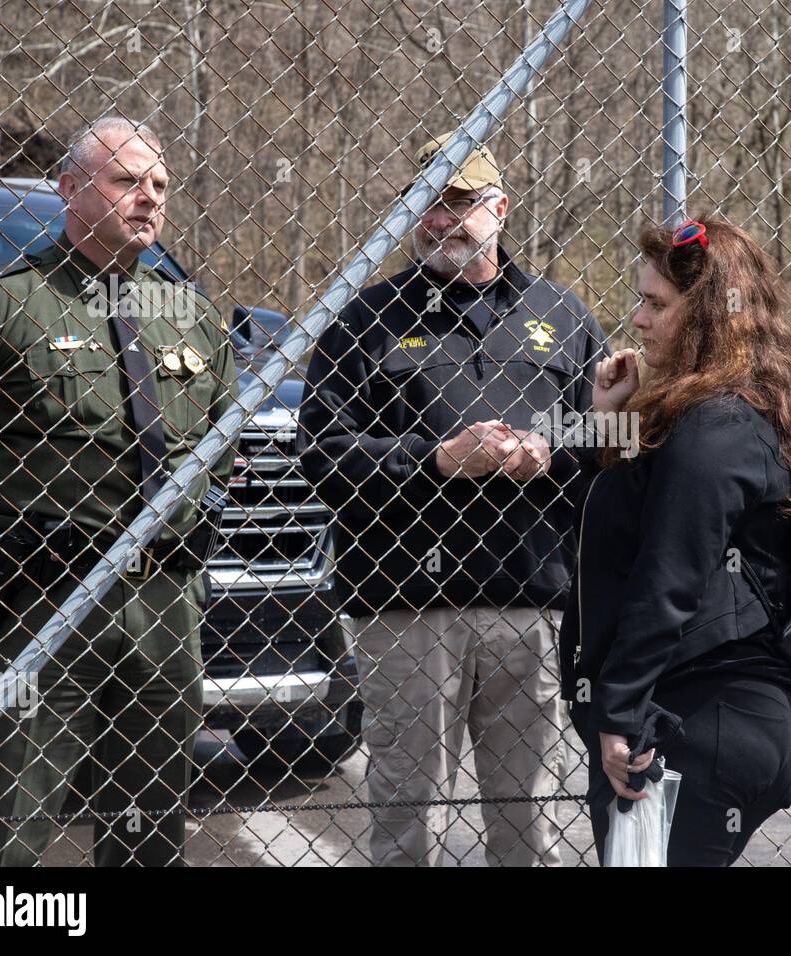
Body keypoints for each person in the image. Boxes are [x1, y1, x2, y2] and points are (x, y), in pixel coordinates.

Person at [0, 117, 239, 866]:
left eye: (159, 186)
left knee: (148, 835)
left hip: (166, 609)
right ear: (70, 188)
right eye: (126, 180)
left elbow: (220, 451)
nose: (147, 199)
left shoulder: (194, 316)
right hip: (40, 600)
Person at [299, 134, 609, 866]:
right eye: (428, 203)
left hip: (530, 607)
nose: (442, 220)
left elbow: (607, 441)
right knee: (408, 820)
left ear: (499, 209)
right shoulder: (363, 322)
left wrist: (548, 456)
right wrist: (434, 460)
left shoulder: (561, 317)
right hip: (406, 612)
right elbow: (320, 453)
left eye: (460, 203)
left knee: (529, 820)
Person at [558, 217, 791, 866]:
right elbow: (618, 529)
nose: (638, 320)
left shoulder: (715, 426)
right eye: (641, 299)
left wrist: (621, 716)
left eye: (656, 304)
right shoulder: (738, 410)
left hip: (695, 721)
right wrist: (609, 427)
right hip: (712, 716)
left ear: (707, 318)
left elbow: (667, 578)